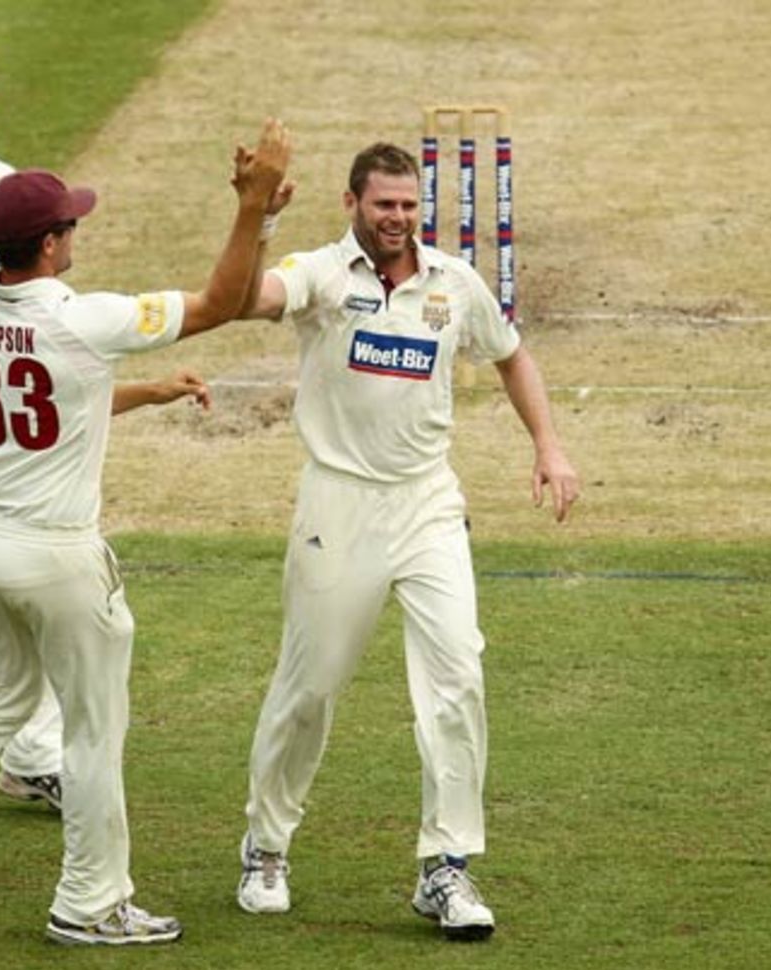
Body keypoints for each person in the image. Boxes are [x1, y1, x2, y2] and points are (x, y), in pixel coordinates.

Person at [0, 119, 292, 945]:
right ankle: (90, 902)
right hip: (61, 555)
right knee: (93, 732)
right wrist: (254, 208)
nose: (77, 233)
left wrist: (145, 392)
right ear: (47, 245)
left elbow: (52, 396)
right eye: (70, 225)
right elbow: (221, 304)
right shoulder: (85, 318)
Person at [233, 142, 580, 941]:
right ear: (352, 203)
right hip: (338, 501)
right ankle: (266, 846)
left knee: (458, 679)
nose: (397, 218)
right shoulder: (322, 274)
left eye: (407, 205)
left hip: (427, 503)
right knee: (310, 688)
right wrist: (260, 218)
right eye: (382, 204)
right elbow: (249, 297)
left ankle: (446, 867)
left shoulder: (452, 282)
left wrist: (549, 446)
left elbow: (512, 354)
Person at [0, 47, 209, 811]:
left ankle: (33, 756)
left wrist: (144, 389)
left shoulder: (8, 190)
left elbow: (53, 353)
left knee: (45, 568)